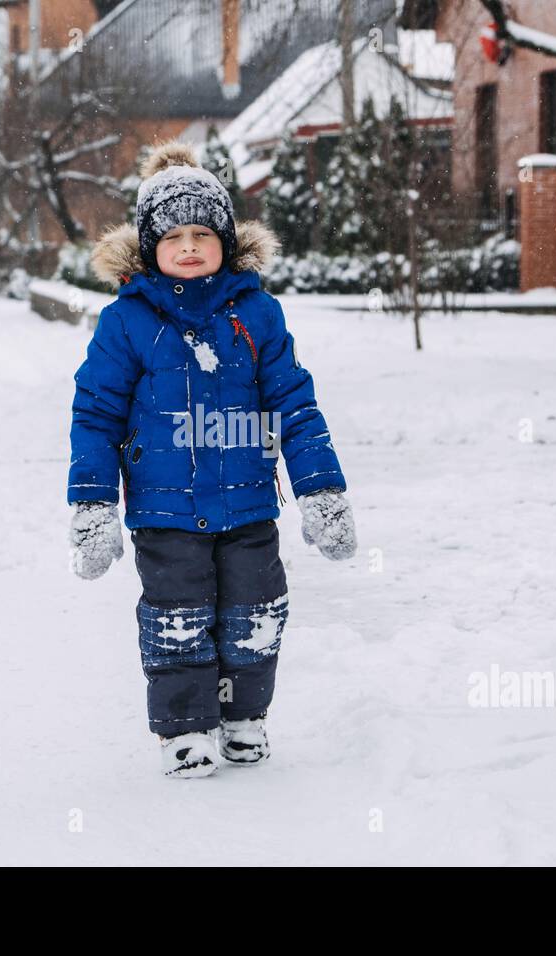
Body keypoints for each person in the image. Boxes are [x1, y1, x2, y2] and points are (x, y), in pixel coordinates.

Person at [66, 141, 356, 778]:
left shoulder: (258, 315)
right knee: (177, 620)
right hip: (164, 512)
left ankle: (242, 718)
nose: (190, 246)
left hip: (249, 504)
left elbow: (295, 405)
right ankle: (186, 729)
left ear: (227, 240)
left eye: (204, 232)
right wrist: (92, 506)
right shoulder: (126, 323)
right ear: (150, 248)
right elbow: (95, 416)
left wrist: (322, 490)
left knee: (256, 612)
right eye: (174, 237)